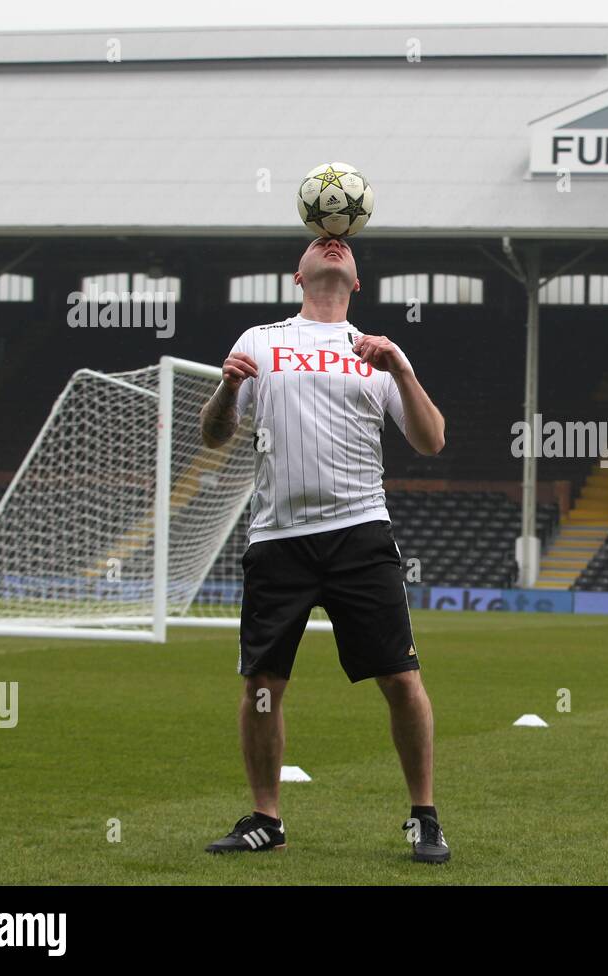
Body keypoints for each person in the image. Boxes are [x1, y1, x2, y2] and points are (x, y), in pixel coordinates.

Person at [198, 236, 450, 863]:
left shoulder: (375, 350)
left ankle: (424, 817)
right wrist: (227, 389)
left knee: (400, 677)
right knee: (262, 684)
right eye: (319, 240)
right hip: (277, 538)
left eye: (342, 243)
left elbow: (431, 441)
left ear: (356, 281)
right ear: (298, 275)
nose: (332, 243)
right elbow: (214, 435)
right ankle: (266, 819)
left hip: (360, 532)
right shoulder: (258, 341)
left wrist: (402, 370)